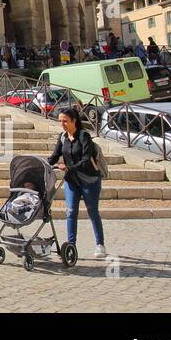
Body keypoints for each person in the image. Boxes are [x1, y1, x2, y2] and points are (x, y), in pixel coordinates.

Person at [48, 106, 106, 258]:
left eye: (65, 121)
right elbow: (54, 156)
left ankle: (100, 244)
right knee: (71, 212)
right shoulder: (62, 137)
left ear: (74, 121)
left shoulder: (84, 136)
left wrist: (68, 167)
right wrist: (47, 164)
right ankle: (71, 246)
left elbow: (86, 160)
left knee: (92, 211)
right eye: (60, 121)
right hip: (72, 181)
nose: (62, 124)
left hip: (89, 180)